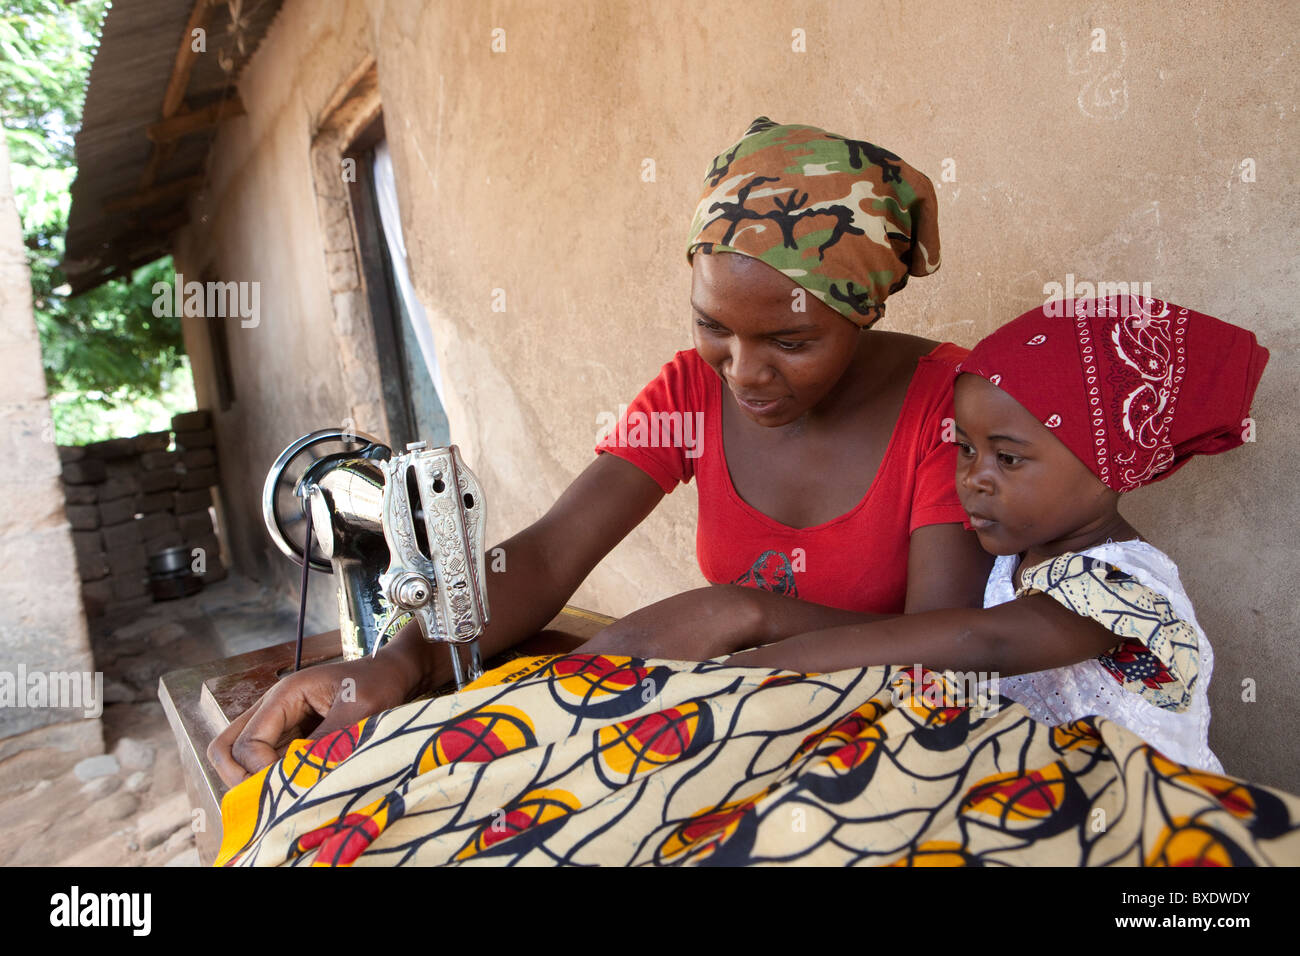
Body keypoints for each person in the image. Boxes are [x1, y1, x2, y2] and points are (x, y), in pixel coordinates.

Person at [208, 116, 994, 788]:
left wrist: (740, 611)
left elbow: (943, 635)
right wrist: (406, 655)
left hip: (899, 741)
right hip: (743, 724)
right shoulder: (692, 392)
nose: (745, 374)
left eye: (791, 341)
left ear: (866, 310)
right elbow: (550, 555)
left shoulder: (949, 406)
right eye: (714, 326)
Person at [725, 295, 1269, 772]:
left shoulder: (1126, 581)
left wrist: (758, 667)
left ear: (1109, 466)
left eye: (1007, 457)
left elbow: (980, 641)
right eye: (964, 448)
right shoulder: (1011, 558)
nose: (972, 478)